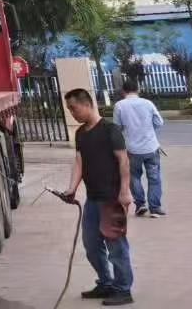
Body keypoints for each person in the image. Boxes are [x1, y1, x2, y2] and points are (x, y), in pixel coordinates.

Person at [62, 88, 134, 306]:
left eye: (73, 108)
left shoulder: (110, 130)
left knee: (116, 246)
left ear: (86, 104)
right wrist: (72, 188)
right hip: (92, 200)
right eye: (69, 109)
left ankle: (123, 289)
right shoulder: (80, 133)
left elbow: (123, 160)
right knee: (91, 245)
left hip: (112, 198)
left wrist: (125, 191)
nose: (72, 113)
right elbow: (79, 162)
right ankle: (105, 283)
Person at [113, 78, 165, 217]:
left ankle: (140, 205)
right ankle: (155, 208)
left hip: (132, 149)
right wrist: (148, 130)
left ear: (123, 91)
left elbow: (117, 128)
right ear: (138, 90)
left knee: (134, 177)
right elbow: (159, 122)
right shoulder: (148, 103)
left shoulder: (119, 106)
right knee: (154, 177)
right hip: (151, 147)